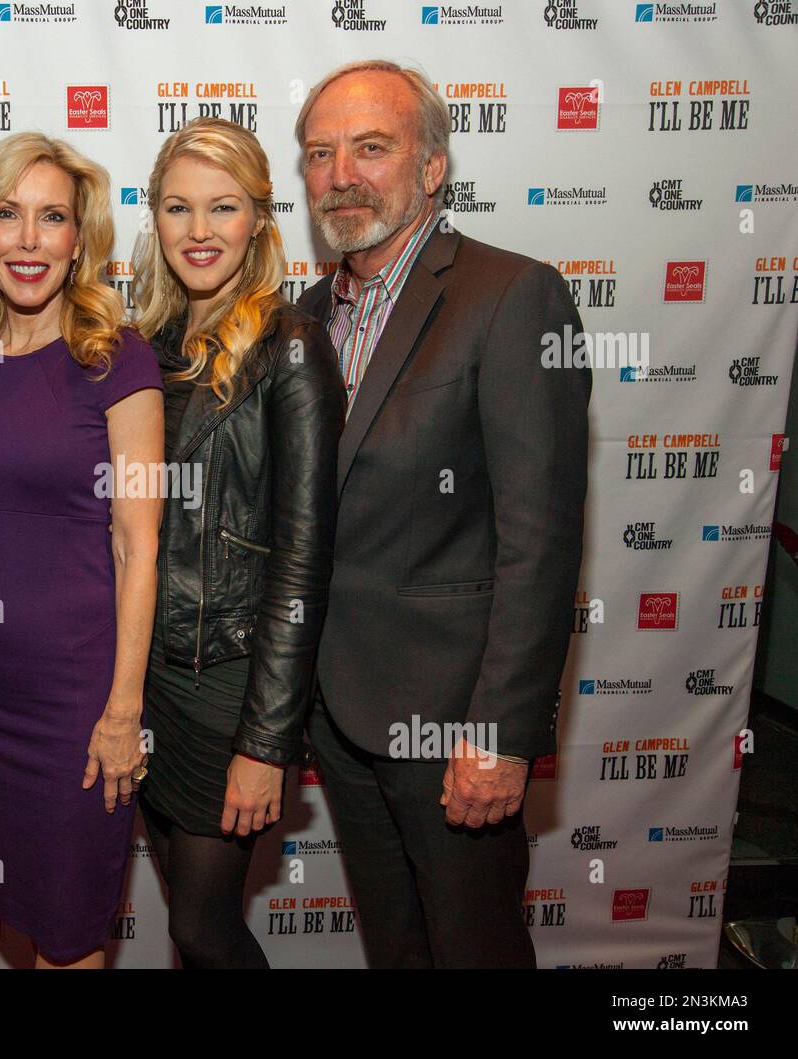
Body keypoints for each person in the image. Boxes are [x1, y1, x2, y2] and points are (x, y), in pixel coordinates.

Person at [294, 60, 591, 968]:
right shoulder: (307, 315)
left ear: (431, 169)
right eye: (320, 153)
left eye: (371, 147)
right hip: (335, 713)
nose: (341, 172)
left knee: (477, 950)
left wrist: (500, 737)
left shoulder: (511, 295)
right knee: (397, 949)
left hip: (454, 723)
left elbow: (539, 542)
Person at [0, 132, 164, 969]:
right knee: (27, 924)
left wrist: (121, 713)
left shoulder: (115, 357)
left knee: (71, 941)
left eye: (52, 218)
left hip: (80, 702)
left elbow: (139, 546)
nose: (29, 240)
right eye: (8, 214)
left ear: (79, 237)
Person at [131, 117, 345, 968]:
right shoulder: (145, 348)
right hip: (145, 679)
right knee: (189, 921)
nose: (199, 231)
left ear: (258, 219)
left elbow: (303, 557)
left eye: (223, 207)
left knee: (200, 928)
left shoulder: (288, 346)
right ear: (156, 218)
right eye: (178, 208)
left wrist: (265, 742)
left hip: (227, 684)